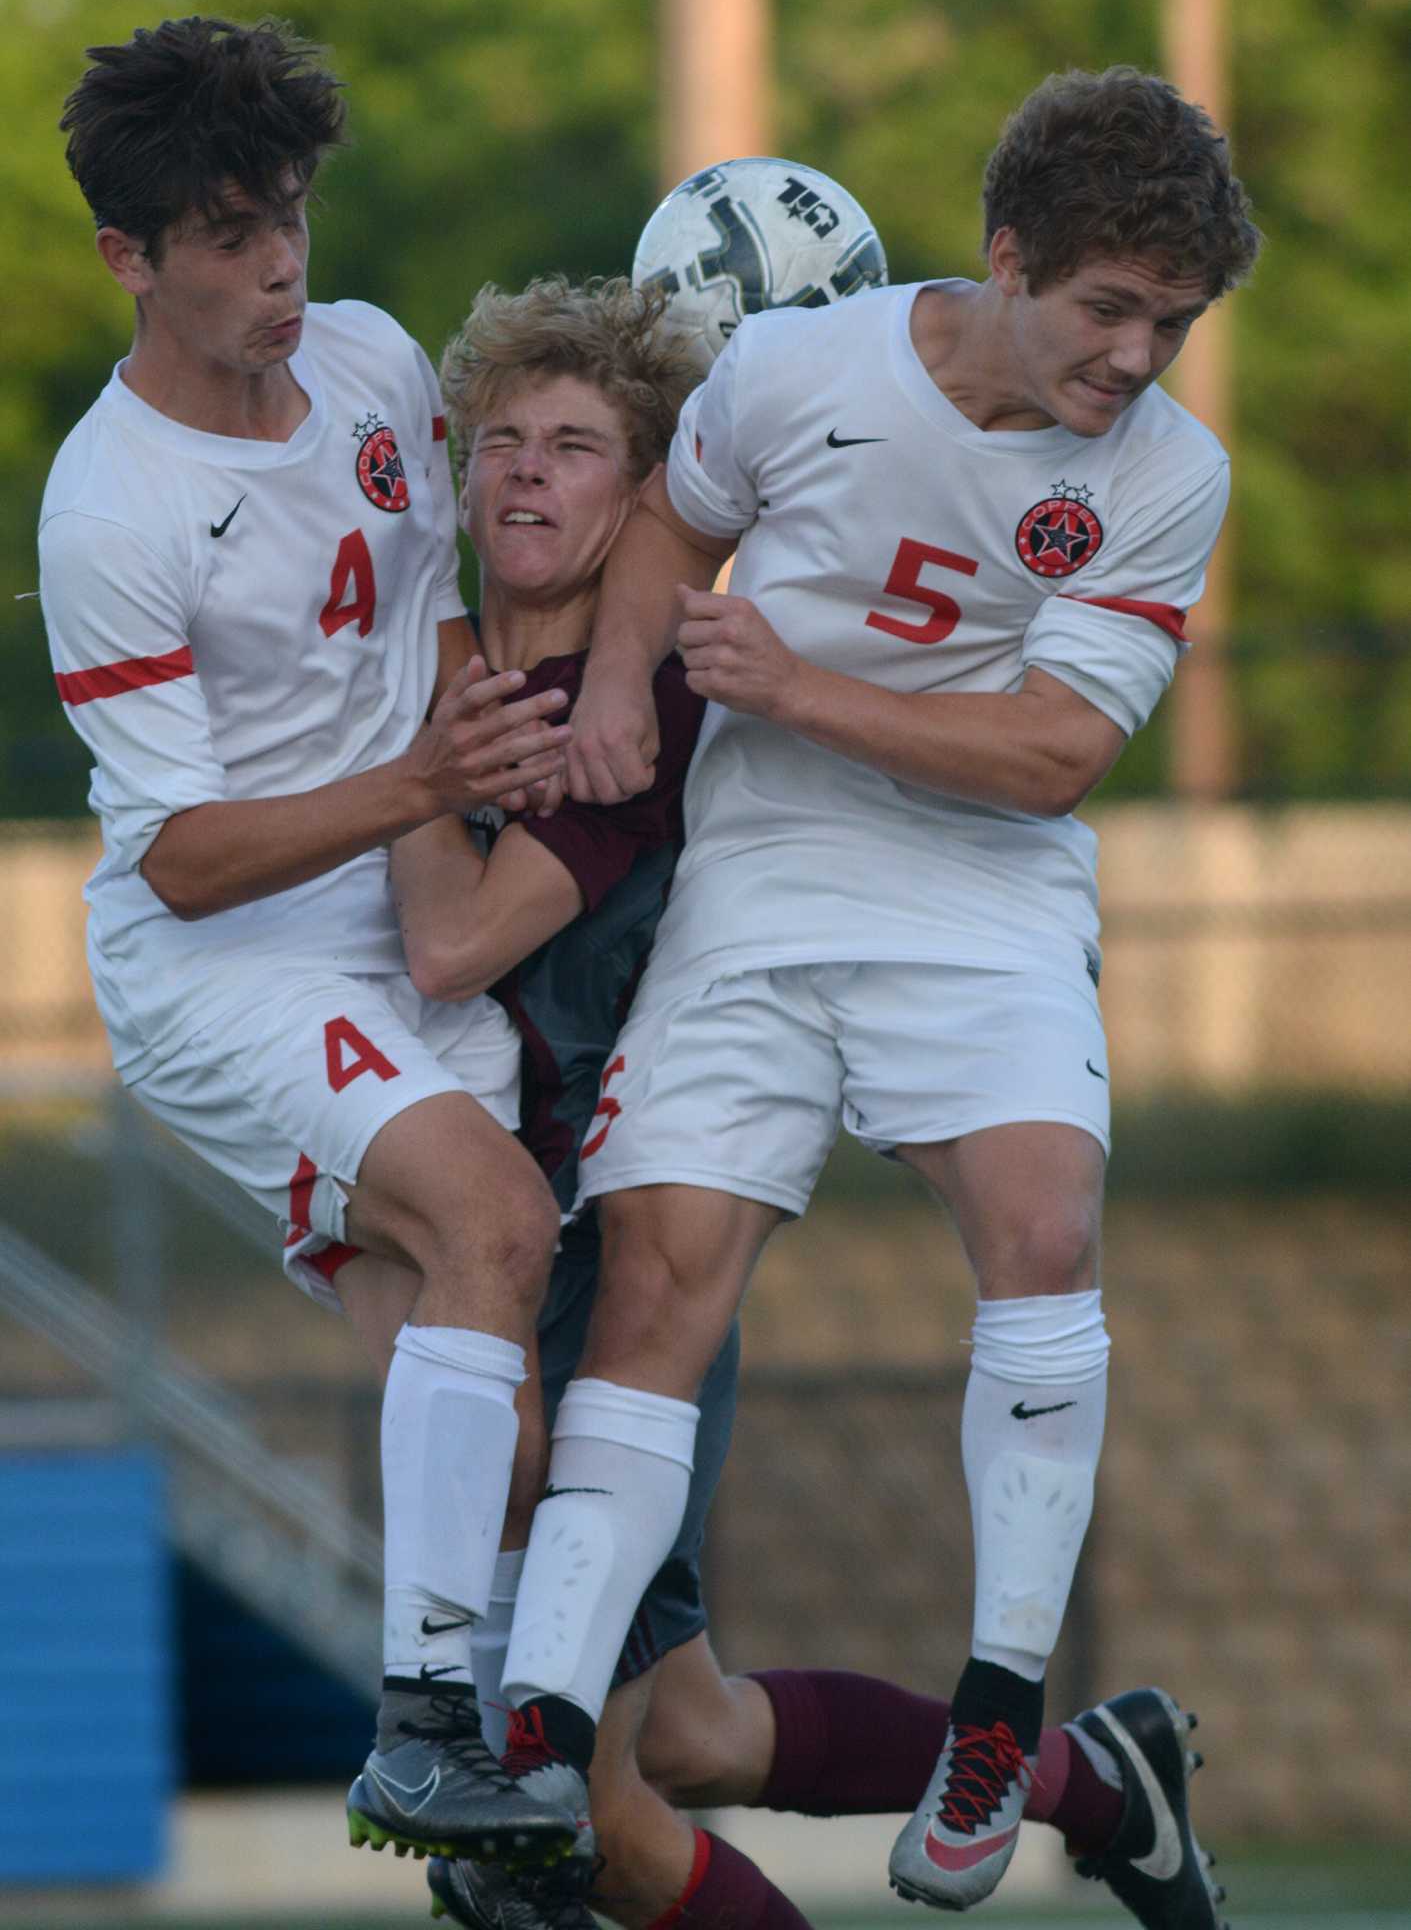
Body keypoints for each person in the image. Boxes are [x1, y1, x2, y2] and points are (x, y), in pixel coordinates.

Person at [354, 281, 1226, 1930]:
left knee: (591, 1819)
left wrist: (400, 754)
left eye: (577, 447)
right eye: (501, 441)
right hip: (487, 1241)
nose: (527, 471)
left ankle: (1056, 1761)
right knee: (687, 1736)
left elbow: (454, 946)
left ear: (654, 492)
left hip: (590, 1247)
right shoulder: (435, 665)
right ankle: (1098, 1781)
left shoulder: (636, 715)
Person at [39, 14, 588, 1872]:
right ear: (128, 256)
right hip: (229, 970)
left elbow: (428, 619)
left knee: (505, 1427)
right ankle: (424, 1733)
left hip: (397, 926)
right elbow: (186, 861)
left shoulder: (367, 362)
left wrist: (488, 752)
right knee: (499, 1220)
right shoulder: (110, 509)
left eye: (290, 217)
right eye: (228, 236)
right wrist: (427, 779)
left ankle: (490, 1819)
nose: (280, 266)